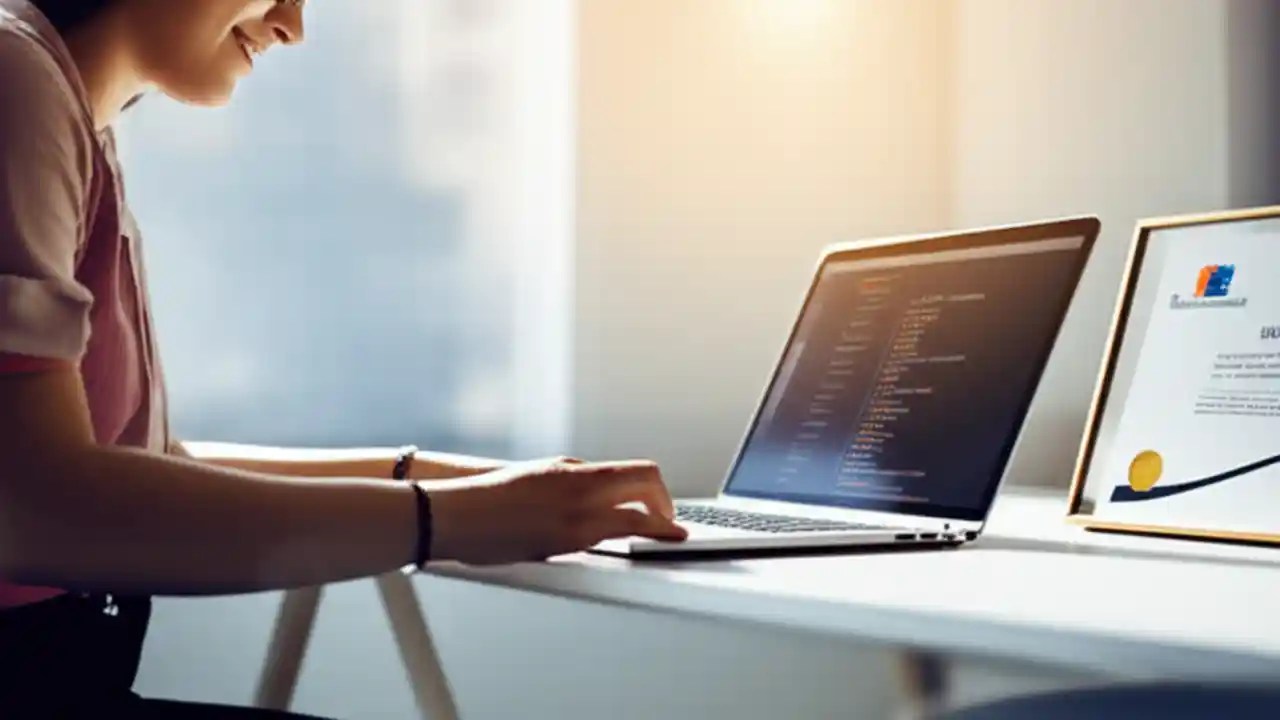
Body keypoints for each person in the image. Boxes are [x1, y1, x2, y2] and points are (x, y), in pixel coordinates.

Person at [0, 0, 688, 716]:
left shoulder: (71, 112)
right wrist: (443, 518)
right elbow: (33, 505)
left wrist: (459, 486)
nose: (292, 25)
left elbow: (139, 464)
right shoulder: (15, 83)